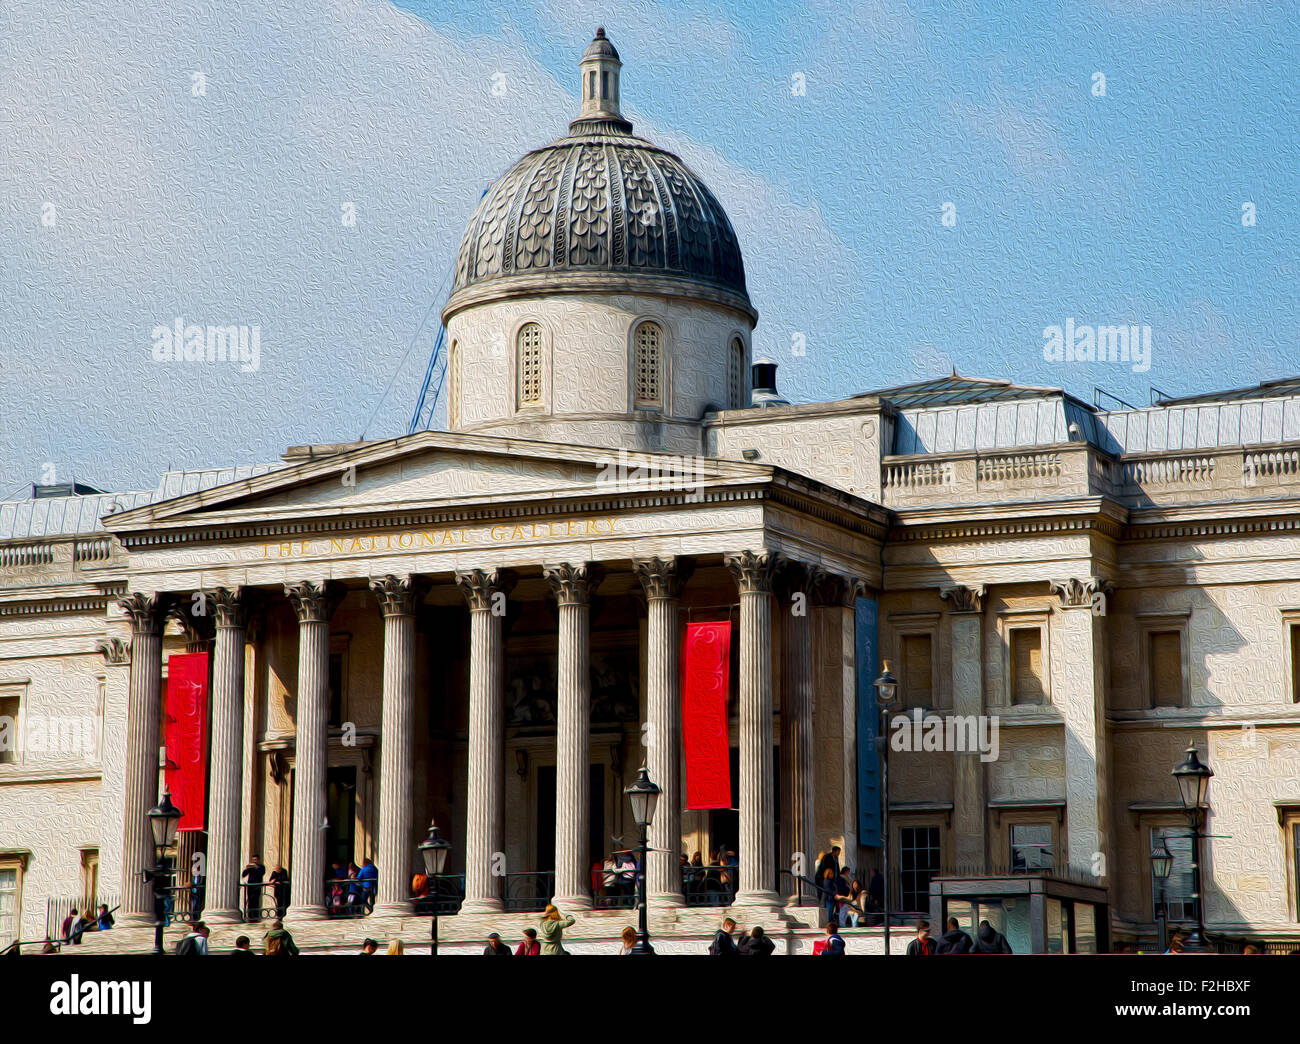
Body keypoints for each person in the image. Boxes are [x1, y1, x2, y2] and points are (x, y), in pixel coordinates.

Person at [241, 855, 265, 922]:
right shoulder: (250, 867)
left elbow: (262, 873)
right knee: (250, 901)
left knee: (256, 901)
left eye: (256, 859)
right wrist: (246, 868)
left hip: (257, 885)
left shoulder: (261, 867)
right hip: (250, 885)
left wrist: (256, 867)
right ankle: (250, 917)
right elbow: (244, 875)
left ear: (258, 860)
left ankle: (256, 916)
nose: (255, 861)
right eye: (253, 860)